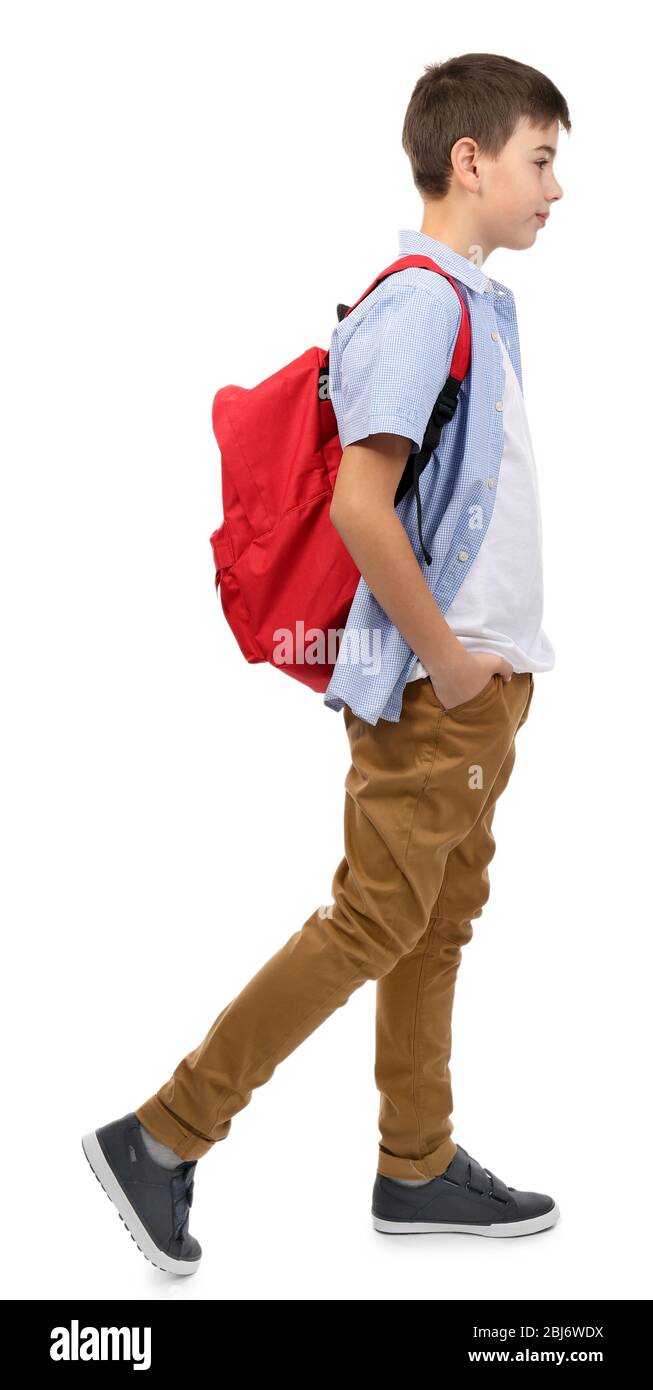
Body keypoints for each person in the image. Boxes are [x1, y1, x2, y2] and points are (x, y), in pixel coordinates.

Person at [82, 51, 571, 1275]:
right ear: (470, 161)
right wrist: (451, 665)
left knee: (431, 927)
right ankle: (163, 1132)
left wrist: (489, 674)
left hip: (479, 691)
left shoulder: (467, 298)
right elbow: (364, 504)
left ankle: (414, 1163)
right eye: (541, 159)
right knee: (371, 920)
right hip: (436, 691)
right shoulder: (422, 302)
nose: (555, 189)